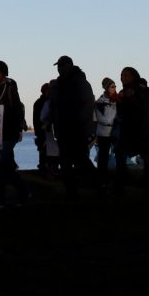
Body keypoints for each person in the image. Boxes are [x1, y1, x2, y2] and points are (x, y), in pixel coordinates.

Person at [0, 60, 30, 208]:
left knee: (2, 165)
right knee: (5, 165)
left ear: (3, 73)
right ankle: (22, 194)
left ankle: (2, 198)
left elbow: (16, 108)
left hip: (8, 132)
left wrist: (18, 128)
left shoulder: (10, 89)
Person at [51, 56, 98, 196]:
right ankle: (71, 192)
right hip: (63, 130)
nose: (59, 69)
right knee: (66, 163)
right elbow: (55, 106)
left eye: (62, 66)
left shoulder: (81, 83)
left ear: (70, 66)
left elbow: (87, 106)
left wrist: (80, 126)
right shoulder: (58, 84)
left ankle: (99, 184)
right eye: (58, 66)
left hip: (77, 131)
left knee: (82, 160)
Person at [114, 68, 149, 189]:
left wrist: (131, 98)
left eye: (126, 75)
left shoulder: (142, 91)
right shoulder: (124, 92)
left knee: (148, 158)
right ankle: (122, 179)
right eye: (122, 75)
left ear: (134, 77)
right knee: (120, 153)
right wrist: (120, 101)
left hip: (143, 131)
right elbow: (123, 112)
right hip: (129, 130)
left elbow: (144, 108)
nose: (123, 77)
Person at [93, 77, 120, 173]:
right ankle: (102, 176)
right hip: (104, 133)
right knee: (103, 156)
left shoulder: (117, 100)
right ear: (106, 88)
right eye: (112, 86)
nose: (114, 88)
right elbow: (101, 119)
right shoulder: (100, 102)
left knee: (118, 155)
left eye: (115, 86)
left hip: (115, 132)